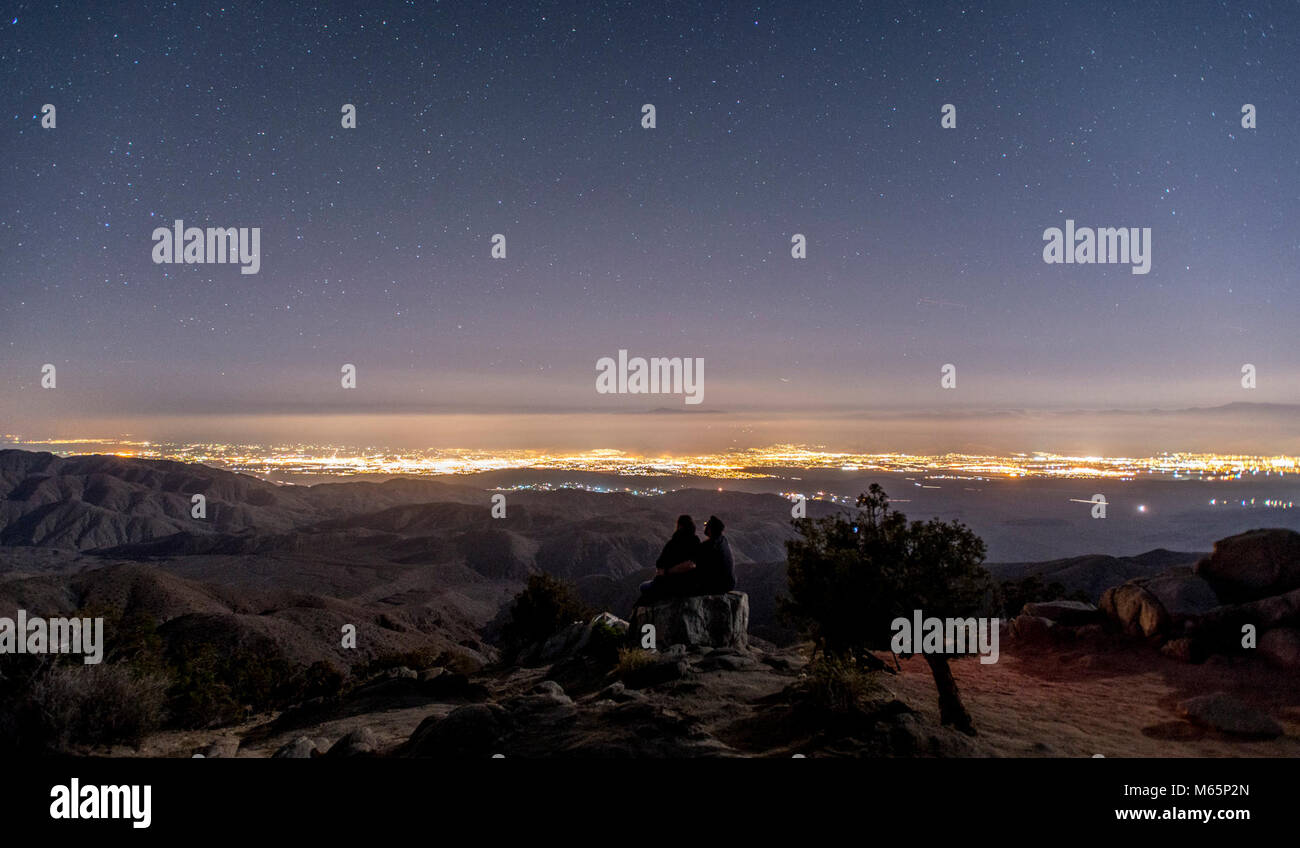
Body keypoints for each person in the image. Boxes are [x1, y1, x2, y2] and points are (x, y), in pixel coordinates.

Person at [636, 514, 700, 606]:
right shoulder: (696, 541)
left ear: (679, 526)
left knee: (642, 586)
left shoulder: (674, 543)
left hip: (671, 585)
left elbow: (660, 565)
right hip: (690, 585)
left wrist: (667, 572)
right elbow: (693, 564)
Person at [694, 515, 736, 594]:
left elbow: (695, 563)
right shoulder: (723, 540)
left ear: (710, 529)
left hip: (717, 586)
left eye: (706, 525)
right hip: (729, 584)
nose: (704, 526)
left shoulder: (708, 545)